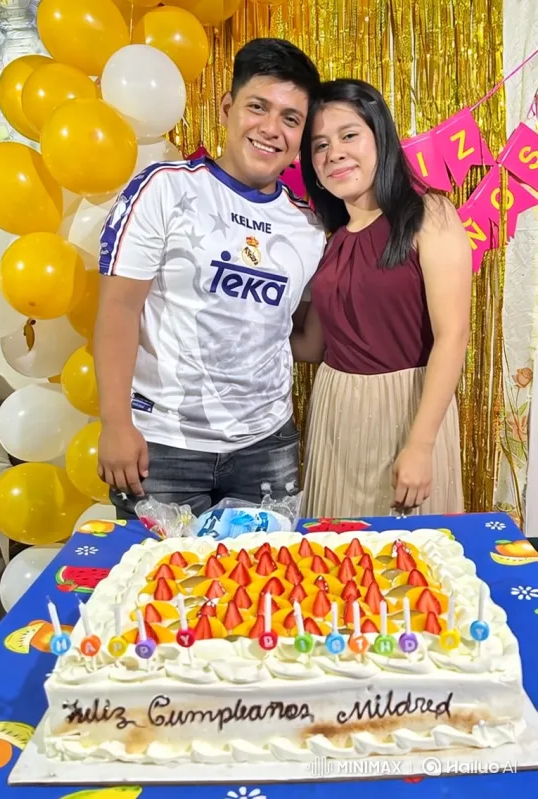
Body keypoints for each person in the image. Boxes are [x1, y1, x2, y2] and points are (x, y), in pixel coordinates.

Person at [94, 38, 326, 520]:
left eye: (290, 119)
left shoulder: (309, 227)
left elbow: (296, 336)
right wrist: (116, 423)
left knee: (265, 590)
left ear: (302, 136)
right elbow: (118, 308)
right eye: (257, 107)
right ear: (227, 108)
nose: (270, 129)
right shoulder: (165, 188)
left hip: (267, 446)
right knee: (164, 591)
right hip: (163, 447)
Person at [292, 79, 472, 518]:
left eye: (349, 135)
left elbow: (453, 335)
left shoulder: (430, 214)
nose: (334, 153)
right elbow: (312, 347)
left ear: (381, 137)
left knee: (409, 569)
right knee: (336, 567)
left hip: (407, 410)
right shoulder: (330, 241)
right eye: (319, 145)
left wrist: (422, 444)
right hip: (335, 414)